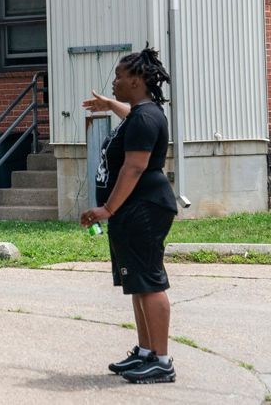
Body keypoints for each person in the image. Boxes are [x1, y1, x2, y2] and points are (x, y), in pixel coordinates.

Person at [81, 47, 178, 384]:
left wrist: (107, 209)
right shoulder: (141, 113)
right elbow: (131, 118)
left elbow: (135, 167)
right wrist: (110, 105)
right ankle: (147, 351)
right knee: (137, 281)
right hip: (135, 209)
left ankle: (162, 361)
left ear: (136, 81)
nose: (115, 81)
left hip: (143, 208)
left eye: (120, 77)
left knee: (149, 282)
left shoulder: (146, 117)